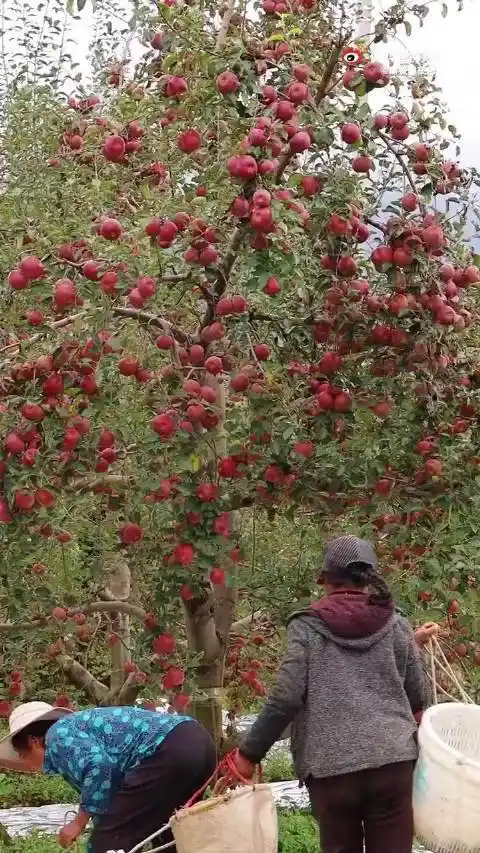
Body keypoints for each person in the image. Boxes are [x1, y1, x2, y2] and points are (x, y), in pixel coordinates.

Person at [226, 534, 438, 853]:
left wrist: (248, 754)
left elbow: (286, 697)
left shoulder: (307, 626)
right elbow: (417, 696)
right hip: (392, 762)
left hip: (332, 769)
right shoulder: (396, 623)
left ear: (325, 579)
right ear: (370, 578)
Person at [0, 701, 216, 853]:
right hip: (198, 743)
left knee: (105, 843)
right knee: (169, 833)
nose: (27, 765)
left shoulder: (57, 735)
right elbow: (114, 793)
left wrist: (79, 823)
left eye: (23, 756)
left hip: (169, 749)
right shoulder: (76, 730)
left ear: (34, 742)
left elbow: (99, 768)